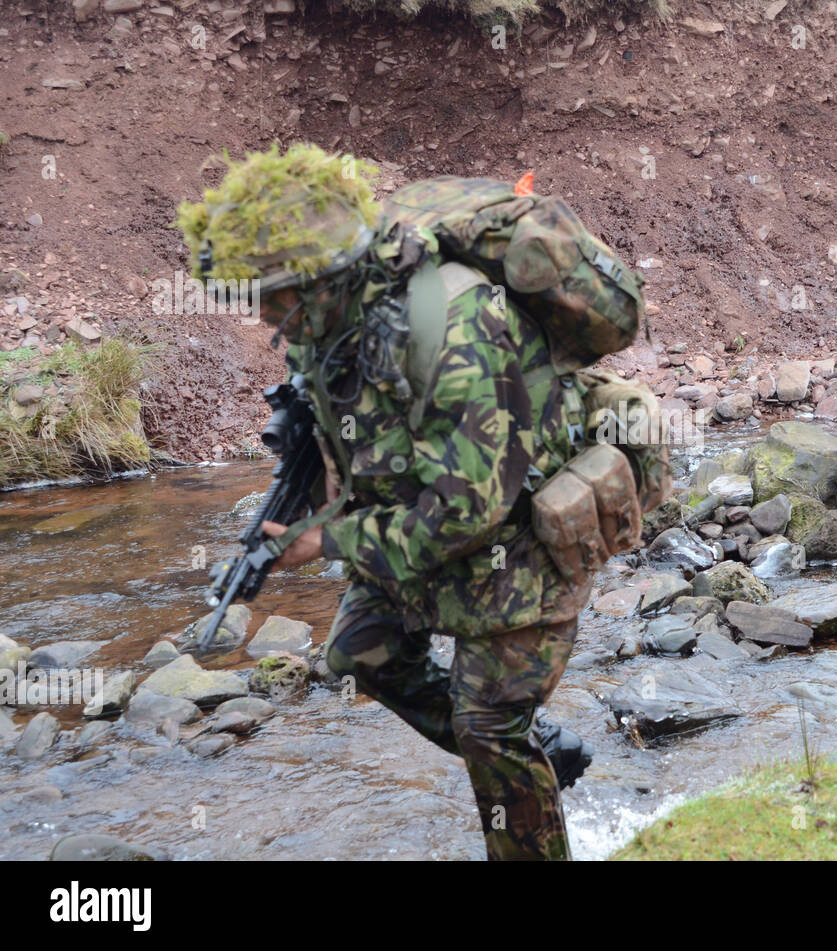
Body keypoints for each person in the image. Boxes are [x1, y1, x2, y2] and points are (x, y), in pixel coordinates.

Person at [176, 143, 614, 860]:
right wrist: (307, 489)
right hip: (423, 517)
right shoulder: (329, 325)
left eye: (273, 300)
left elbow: (469, 511)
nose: (262, 318)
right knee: (358, 653)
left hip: (523, 534)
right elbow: (350, 435)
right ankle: (543, 755)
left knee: (486, 728)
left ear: (321, 281)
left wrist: (330, 541)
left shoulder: (455, 328)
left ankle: (519, 777)